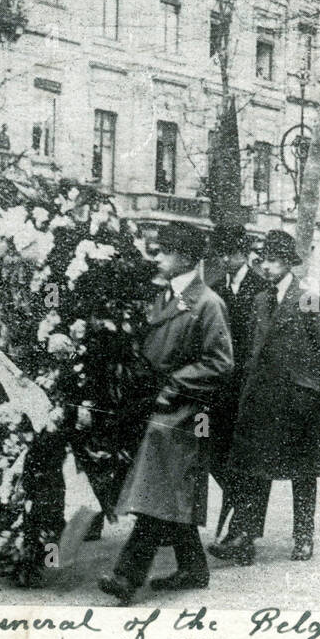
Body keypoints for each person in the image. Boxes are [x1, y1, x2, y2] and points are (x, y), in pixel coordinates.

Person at [99, 223, 233, 602]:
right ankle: (193, 568)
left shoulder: (208, 302)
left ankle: (128, 576)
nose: (155, 258)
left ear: (186, 258)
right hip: (158, 406)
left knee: (156, 492)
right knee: (168, 489)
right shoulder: (166, 296)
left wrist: (174, 386)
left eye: (164, 252)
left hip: (184, 412)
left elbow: (221, 363)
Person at [225, 229, 320, 562]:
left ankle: (303, 536)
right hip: (264, 400)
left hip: (301, 403)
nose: (266, 266)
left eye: (273, 260)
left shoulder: (307, 299)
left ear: (289, 263)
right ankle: (246, 537)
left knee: (303, 473)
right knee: (256, 471)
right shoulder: (260, 301)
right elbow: (252, 350)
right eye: (262, 259)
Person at [205, 224, 271, 565]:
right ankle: (244, 523)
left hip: (254, 389)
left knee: (251, 463)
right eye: (220, 253)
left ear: (243, 253)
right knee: (217, 456)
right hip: (223, 392)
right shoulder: (215, 289)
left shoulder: (264, 288)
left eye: (229, 253)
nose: (224, 259)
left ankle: (244, 535)